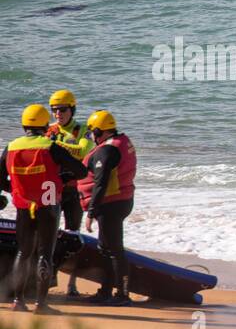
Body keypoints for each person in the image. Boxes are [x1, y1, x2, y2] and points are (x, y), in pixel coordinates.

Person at [0, 105, 88, 312]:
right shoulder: (51, 146)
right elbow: (81, 171)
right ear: (45, 125)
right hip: (48, 204)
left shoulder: (11, 146)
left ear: (24, 126)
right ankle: (41, 303)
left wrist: (13, 189)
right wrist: (63, 178)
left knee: (23, 252)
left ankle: (18, 302)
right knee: (44, 254)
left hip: (23, 205)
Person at [77, 110, 137, 306]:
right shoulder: (120, 141)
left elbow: (101, 183)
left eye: (92, 133)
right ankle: (106, 292)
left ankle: (123, 294)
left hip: (111, 204)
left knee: (114, 250)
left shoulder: (107, 150)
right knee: (106, 247)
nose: (92, 137)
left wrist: (91, 212)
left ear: (98, 132)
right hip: (121, 201)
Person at [45, 89, 93, 297]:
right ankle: (47, 279)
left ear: (72, 109)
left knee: (74, 236)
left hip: (74, 190)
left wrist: (57, 146)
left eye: (62, 109)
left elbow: (83, 151)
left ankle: (72, 284)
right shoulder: (49, 130)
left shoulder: (83, 130)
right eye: (54, 110)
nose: (58, 114)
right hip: (54, 188)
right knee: (49, 235)